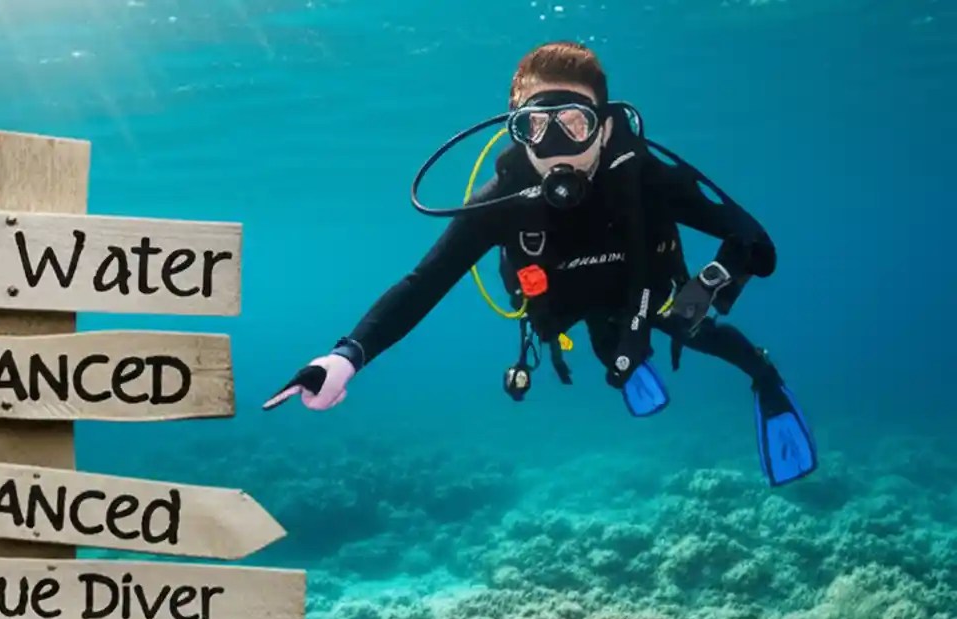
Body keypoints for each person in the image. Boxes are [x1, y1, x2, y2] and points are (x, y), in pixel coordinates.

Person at [263, 40, 816, 487]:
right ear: (516, 132)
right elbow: (424, 282)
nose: (555, 147)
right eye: (535, 126)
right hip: (564, 305)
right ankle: (626, 360)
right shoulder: (501, 202)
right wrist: (346, 357)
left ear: (602, 127)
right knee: (607, 347)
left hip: (650, 294)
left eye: (572, 125)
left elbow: (755, 245)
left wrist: (706, 291)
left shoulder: (646, 179)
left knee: (681, 328)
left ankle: (765, 380)